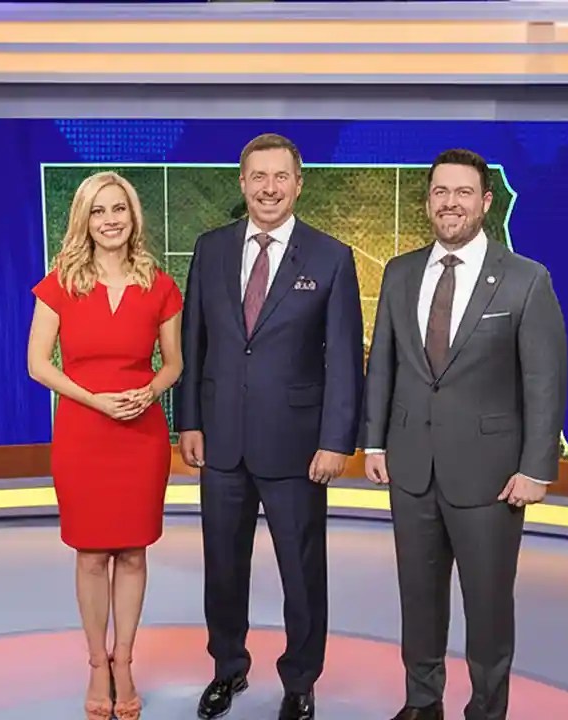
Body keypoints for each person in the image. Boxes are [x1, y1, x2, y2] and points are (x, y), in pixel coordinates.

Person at [361, 149, 567, 720]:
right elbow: (383, 364)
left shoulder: (526, 280)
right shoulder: (401, 273)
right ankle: (422, 703)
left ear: (485, 202)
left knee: (488, 607)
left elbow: (544, 382)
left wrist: (536, 468)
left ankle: (485, 709)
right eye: (440, 193)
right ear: (428, 201)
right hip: (411, 467)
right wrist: (374, 442)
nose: (450, 203)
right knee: (419, 600)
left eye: (463, 193)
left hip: (493, 476)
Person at [174, 133, 364, 720]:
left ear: (299, 183)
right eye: (258, 177)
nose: (269, 188)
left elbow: (344, 359)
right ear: (242, 182)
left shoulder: (331, 257)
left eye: (281, 177)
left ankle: (300, 681)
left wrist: (337, 441)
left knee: (302, 574)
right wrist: (190, 422)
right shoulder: (209, 251)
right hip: (222, 444)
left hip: (298, 448)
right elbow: (194, 343)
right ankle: (227, 669)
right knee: (222, 569)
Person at [27, 171, 183, 720]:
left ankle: (125, 662)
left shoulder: (158, 284)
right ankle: (97, 664)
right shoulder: (59, 283)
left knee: (134, 552)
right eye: (99, 211)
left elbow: (175, 364)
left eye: (119, 209)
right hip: (83, 433)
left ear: (133, 216)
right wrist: (95, 399)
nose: (111, 219)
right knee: (92, 554)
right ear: (84, 220)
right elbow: (38, 364)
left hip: (139, 437)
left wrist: (149, 391)